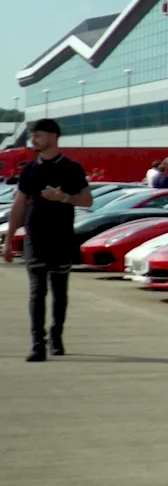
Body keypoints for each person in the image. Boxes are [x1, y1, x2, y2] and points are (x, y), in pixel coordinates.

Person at [7, 119, 93, 362]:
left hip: (61, 238)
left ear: (53, 137)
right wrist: (8, 240)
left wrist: (63, 197)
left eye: (39, 135)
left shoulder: (71, 168)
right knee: (37, 291)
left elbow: (87, 200)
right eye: (33, 135)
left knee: (59, 291)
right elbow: (19, 204)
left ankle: (56, 336)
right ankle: (37, 344)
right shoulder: (29, 169)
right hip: (35, 238)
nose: (34, 139)